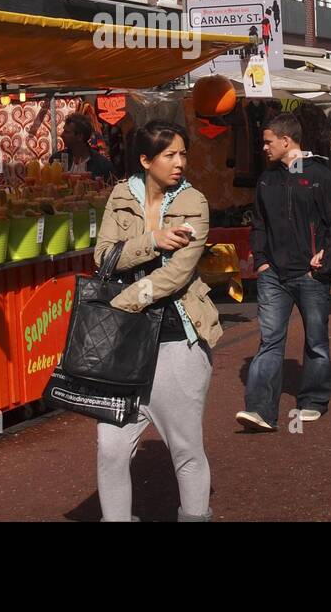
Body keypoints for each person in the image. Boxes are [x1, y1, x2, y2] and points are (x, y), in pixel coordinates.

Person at [91, 120, 218, 522]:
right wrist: (153, 241)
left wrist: (121, 304)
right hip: (125, 343)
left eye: (183, 154)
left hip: (176, 337)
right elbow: (103, 256)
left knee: (184, 449)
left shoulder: (194, 201)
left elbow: (175, 275)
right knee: (110, 448)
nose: (179, 162)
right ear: (146, 160)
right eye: (170, 155)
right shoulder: (120, 195)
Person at [237, 113, 331, 432]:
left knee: (316, 340)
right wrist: (262, 261)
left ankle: (313, 400)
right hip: (273, 275)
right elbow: (259, 222)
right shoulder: (267, 179)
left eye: (268, 141)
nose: (264, 147)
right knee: (269, 340)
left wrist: (324, 258)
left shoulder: (320, 175)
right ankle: (259, 409)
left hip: (310, 273)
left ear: (287, 141)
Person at [51, 113, 116, 182]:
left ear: (80, 137)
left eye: (67, 132)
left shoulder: (102, 165)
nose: (62, 135)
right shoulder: (56, 160)